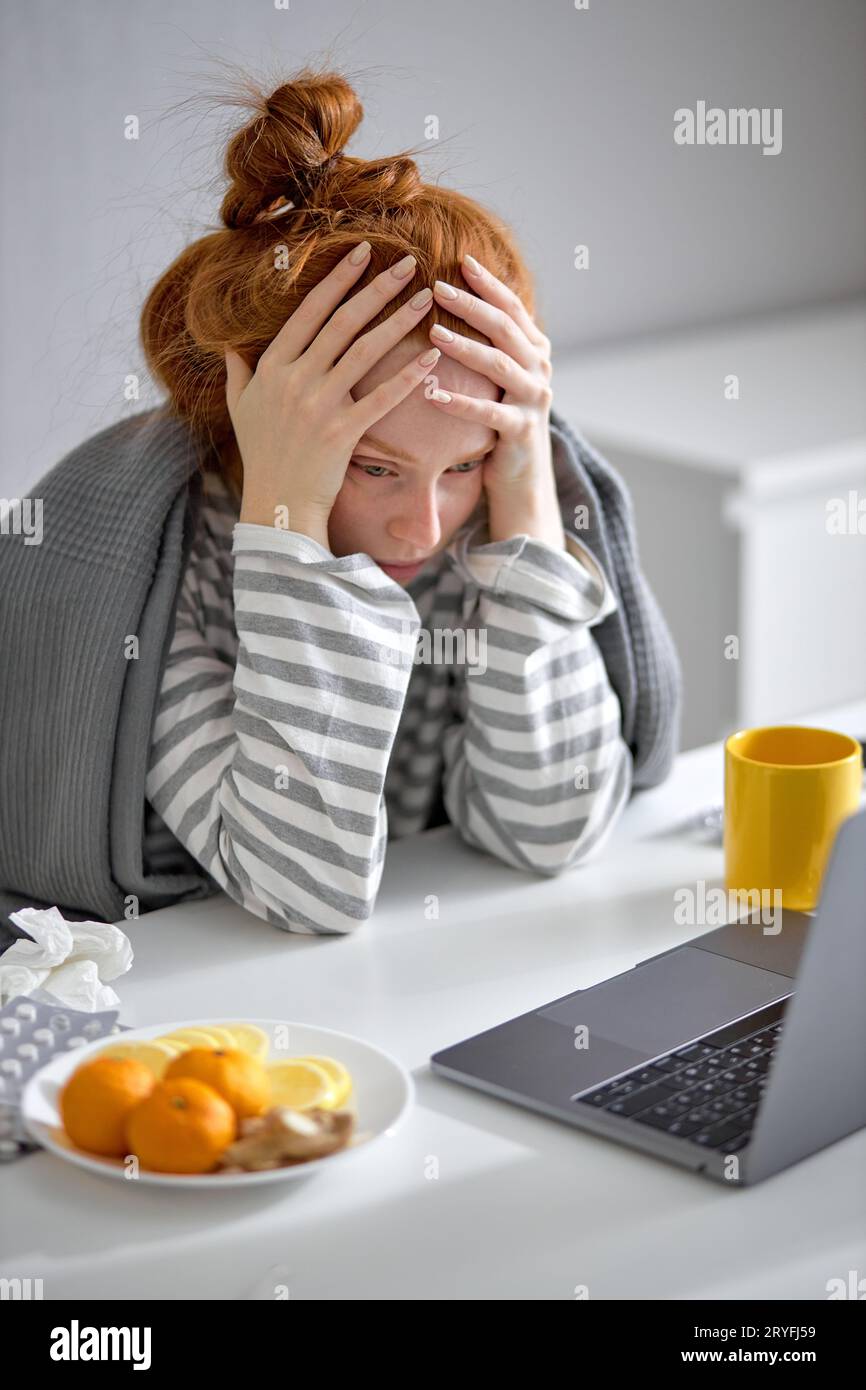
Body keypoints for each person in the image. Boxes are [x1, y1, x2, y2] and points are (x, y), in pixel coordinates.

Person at [139, 67, 681, 936]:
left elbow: (553, 830)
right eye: (374, 468)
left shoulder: (482, 537)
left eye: (465, 464)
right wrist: (287, 533)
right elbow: (307, 894)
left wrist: (527, 489)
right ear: (258, 423)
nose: (423, 531)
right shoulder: (166, 571)